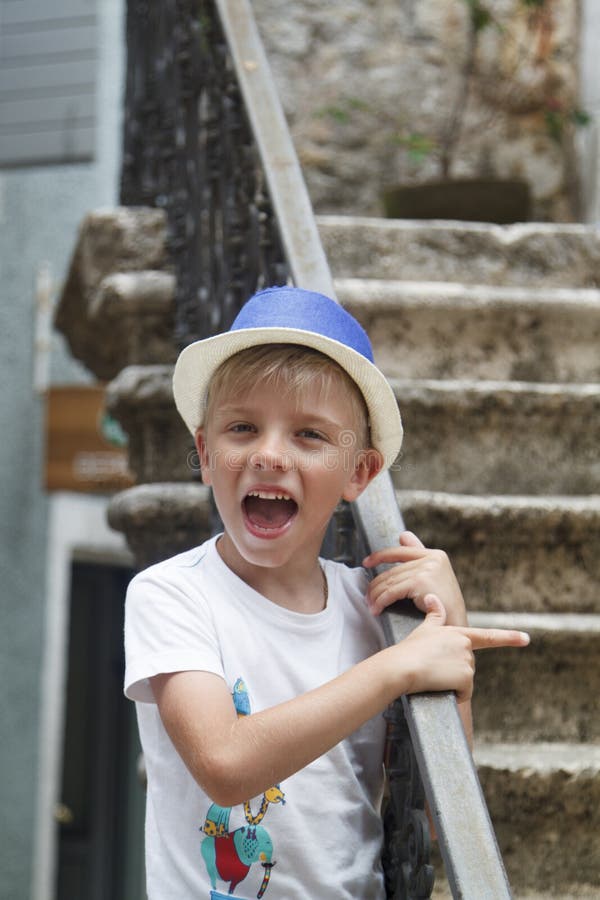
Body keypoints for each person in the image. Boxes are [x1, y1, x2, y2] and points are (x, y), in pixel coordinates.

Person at [124, 285, 529, 900]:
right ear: (206, 454)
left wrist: (448, 645)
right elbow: (225, 766)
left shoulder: (376, 613)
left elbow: (437, 821)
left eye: (310, 436)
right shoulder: (172, 595)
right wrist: (395, 668)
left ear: (360, 473)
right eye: (241, 427)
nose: (267, 454)